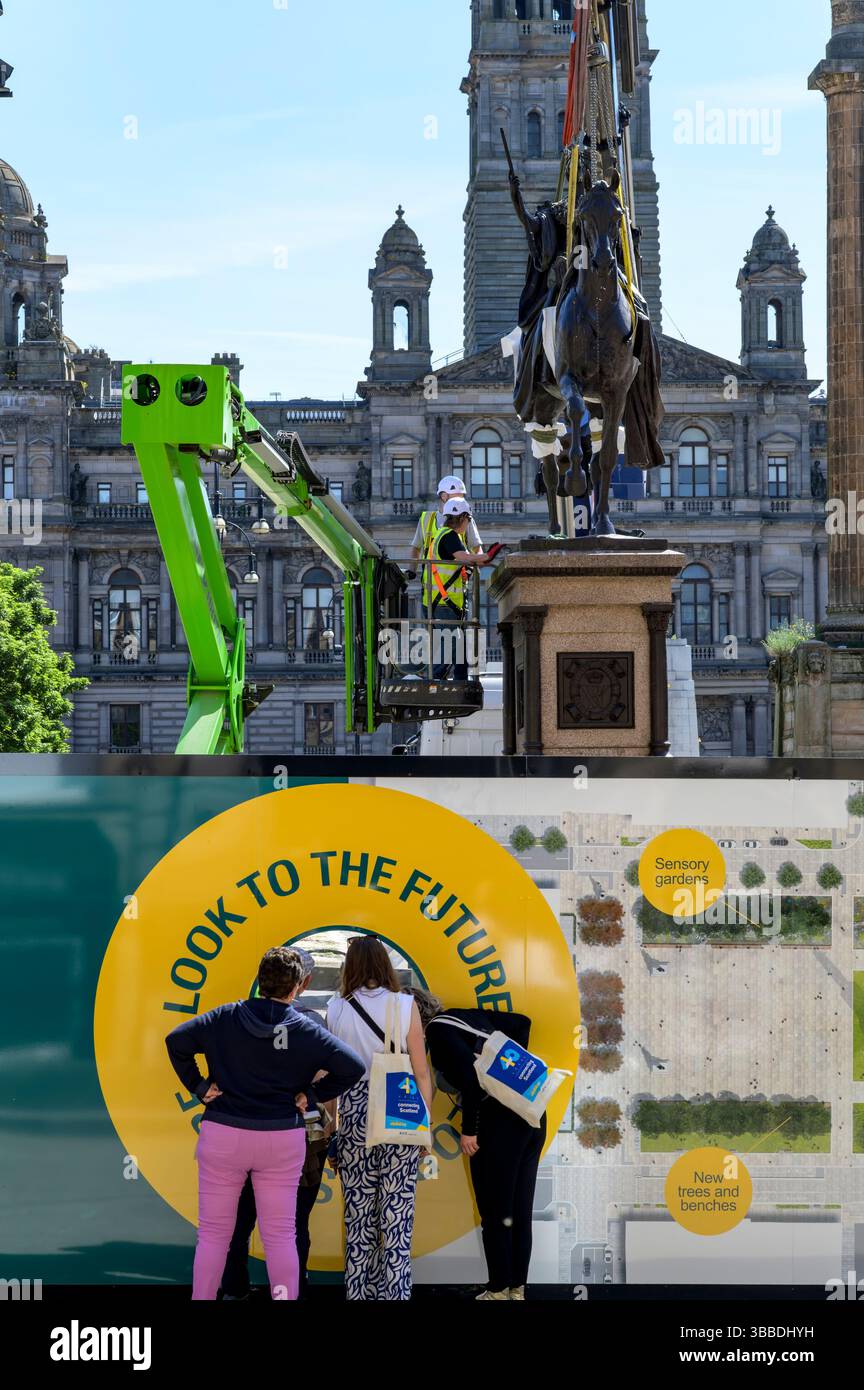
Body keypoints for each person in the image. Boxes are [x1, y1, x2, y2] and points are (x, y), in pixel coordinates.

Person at [165, 946, 364, 1301]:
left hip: (224, 1133)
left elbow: (176, 1041)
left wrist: (198, 1086)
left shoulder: (224, 1017)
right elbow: (353, 1067)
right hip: (280, 1138)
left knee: (213, 1235)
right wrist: (313, 1095)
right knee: (281, 1236)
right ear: (298, 987)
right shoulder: (304, 1028)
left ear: (259, 980)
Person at [413, 989, 545, 1302]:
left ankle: (498, 1289)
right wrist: (507, 1076)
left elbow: (471, 1084)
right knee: (518, 1211)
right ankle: (517, 1289)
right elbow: (521, 1023)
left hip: (498, 1124)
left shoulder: (438, 1033)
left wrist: (468, 1131)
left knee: (495, 1211)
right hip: (532, 1110)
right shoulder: (463, 1016)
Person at [218, 947, 333, 1300]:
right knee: (295, 1224)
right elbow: (332, 1072)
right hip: (301, 1135)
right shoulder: (312, 1023)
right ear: (304, 982)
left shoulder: (236, 1018)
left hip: (243, 1130)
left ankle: (235, 1287)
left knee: (239, 1220)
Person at [326, 936, 434, 1301]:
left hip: (354, 1110)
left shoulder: (336, 1007)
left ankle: (360, 1293)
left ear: (350, 966)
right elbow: (421, 1073)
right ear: (385, 965)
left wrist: (331, 1128)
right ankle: (395, 1294)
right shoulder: (405, 1005)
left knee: (358, 1212)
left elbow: (329, 1074)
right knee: (397, 1211)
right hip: (400, 1107)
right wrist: (425, 1125)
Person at [422, 497, 502, 680]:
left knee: (458, 644)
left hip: (444, 602)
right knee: (452, 643)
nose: (468, 524)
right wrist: (486, 556)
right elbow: (464, 557)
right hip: (443, 602)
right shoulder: (449, 536)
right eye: (469, 519)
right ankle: (432, 680)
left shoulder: (448, 536)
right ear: (463, 517)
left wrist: (479, 561)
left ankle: (460, 680)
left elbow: (460, 563)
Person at [407, 475, 482, 578]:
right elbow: (416, 547)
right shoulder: (426, 519)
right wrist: (412, 571)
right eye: (456, 497)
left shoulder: (466, 519)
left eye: (462, 498)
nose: (461, 502)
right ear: (444, 496)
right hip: (431, 588)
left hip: (457, 587)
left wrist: (473, 566)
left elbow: (477, 549)